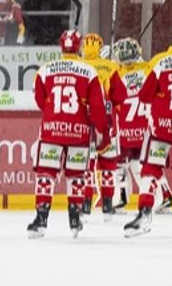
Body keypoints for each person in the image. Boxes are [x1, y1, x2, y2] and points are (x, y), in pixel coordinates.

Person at [27, 30, 109, 239]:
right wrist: (102, 131)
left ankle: (41, 219)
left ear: (61, 47)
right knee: (76, 176)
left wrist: (54, 115)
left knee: (46, 173)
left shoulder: (45, 70)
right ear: (79, 47)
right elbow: (98, 107)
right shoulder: (89, 72)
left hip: (51, 131)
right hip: (79, 133)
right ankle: (75, 218)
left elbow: (39, 99)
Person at [124, 23, 172, 237]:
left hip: (161, 126)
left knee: (151, 169)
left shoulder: (159, 61)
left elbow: (145, 95)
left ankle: (145, 212)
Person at [80, 32, 120, 218]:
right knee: (108, 164)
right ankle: (107, 203)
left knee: (87, 164)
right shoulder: (111, 67)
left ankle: (86, 202)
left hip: (84, 121)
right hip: (108, 121)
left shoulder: (79, 67)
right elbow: (121, 96)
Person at [109, 37, 150, 212]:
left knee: (118, 164)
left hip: (125, 129)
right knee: (143, 165)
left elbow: (110, 98)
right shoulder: (148, 70)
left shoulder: (116, 75)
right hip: (145, 129)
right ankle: (155, 196)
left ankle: (119, 198)